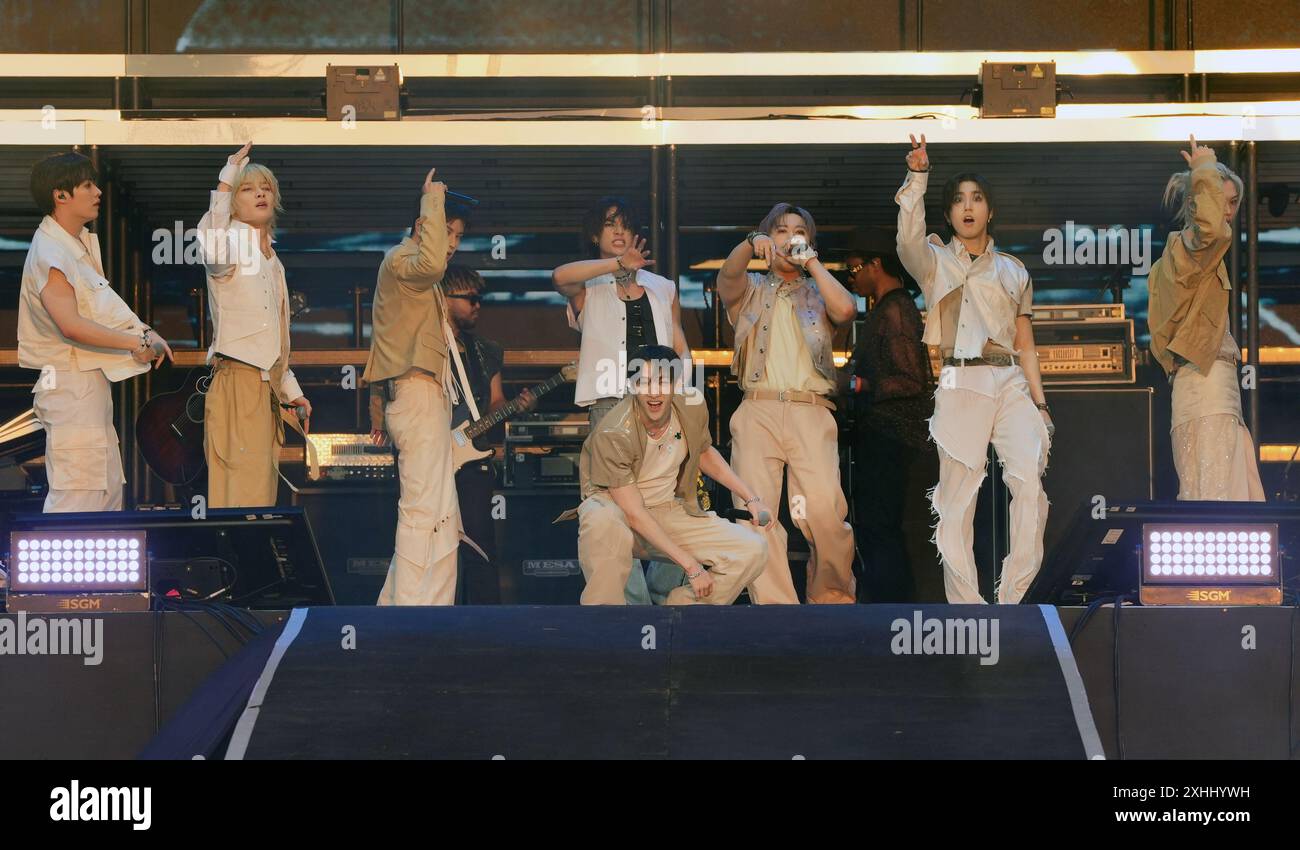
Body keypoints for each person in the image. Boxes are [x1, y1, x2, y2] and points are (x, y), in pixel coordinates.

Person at [895, 133, 1053, 604]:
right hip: (961, 377)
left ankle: (1014, 602)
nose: (968, 208)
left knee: (1029, 484)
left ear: (990, 211)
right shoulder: (935, 261)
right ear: (948, 214)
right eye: (960, 201)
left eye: (977, 199)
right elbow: (906, 237)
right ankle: (968, 609)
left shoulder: (1013, 270)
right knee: (956, 502)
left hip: (1010, 381)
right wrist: (918, 177)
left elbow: (1025, 342)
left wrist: (1041, 403)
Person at [716, 203, 858, 604]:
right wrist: (749, 243)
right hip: (757, 408)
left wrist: (812, 264)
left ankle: (831, 600)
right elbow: (727, 276)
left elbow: (847, 310)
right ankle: (776, 610)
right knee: (756, 514)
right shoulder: (750, 290)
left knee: (825, 513)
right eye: (780, 230)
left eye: (799, 231)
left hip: (811, 409)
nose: (789, 237)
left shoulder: (819, 291)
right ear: (766, 240)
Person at [552, 196, 691, 604]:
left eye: (625, 225)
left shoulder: (662, 288)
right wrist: (618, 265)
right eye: (609, 224)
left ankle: (666, 595)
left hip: (662, 405)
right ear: (595, 235)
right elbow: (559, 276)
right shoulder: (589, 284)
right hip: (609, 404)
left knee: (670, 497)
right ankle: (630, 606)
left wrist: (688, 398)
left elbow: (680, 347)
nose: (618, 231)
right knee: (610, 505)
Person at [18, 151, 173, 512]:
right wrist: (140, 340)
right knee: (79, 497)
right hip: (71, 385)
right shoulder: (51, 250)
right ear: (61, 195)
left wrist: (143, 336)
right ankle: (54, 570)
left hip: (85, 386)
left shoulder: (73, 246)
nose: (97, 192)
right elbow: (71, 325)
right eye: (87, 185)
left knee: (102, 495)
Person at [559, 346, 772, 605]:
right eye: (644, 382)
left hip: (666, 510)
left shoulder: (692, 404)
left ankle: (681, 613)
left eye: (662, 381)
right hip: (619, 514)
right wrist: (691, 566)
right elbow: (635, 514)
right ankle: (608, 624)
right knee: (599, 518)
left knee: (752, 549)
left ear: (676, 383)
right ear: (632, 386)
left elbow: (704, 453)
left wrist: (751, 498)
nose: (654, 391)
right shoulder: (613, 432)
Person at [364, 168, 471, 605]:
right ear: (422, 225)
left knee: (441, 509)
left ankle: (409, 606)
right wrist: (432, 199)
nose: (452, 242)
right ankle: (408, 609)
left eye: (458, 236)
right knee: (424, 507)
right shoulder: (402, 260)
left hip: (427, 397)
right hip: (416, 394)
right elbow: (431, 262)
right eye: (446, 230)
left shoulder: (417, 274)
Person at [1147, 135, 1264, 501]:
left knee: (1217, 487)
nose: (1228, 211)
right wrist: (1203, 168)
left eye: (1233, 203)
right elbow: (1212, 227)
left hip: (1202, 382)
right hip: (1206, 380)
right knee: (1217, 494)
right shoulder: (1192, 250)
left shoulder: (1185, 256)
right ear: (1201, 200)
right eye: (1221, 200)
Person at [197, 142, 310, 509]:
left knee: (259, 495)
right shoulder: (228, 241)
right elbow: (211, 247)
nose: (259, 193)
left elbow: (273, 332)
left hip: (266, 387)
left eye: (265, 187)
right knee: (239, 497)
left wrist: (290, 389)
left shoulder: (273, 261)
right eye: (249, 188)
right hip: (239, 380)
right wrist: (227, 179)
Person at [842, 232, 933, 602]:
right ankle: (889, 604)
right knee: (878, 525)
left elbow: (912, 379)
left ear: (876, 265)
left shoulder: (896, 310)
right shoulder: (887, 308)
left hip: (891, 436)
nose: (851, 278)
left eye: (854, 270)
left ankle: (891, 606)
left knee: (881, 525)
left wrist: (859, 384)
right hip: (881, 434)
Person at [440, 265, 536, 604]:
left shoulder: (485, 350)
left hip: (472, 459)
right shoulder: (428, 346)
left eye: (480, 299)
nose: (478, 305)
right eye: (470, 298)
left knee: (480, 543)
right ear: (444, 298)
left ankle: (484, 621)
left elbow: (496, 403)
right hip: (431, 455)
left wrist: (515, 406)